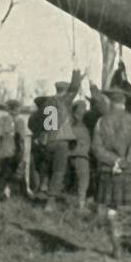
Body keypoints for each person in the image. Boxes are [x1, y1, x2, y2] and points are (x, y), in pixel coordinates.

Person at [92, 87, 131, 257]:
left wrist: (115, 161)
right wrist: (125, 160)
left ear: (110, 102)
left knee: (112, 208)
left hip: (110, 171)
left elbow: (97, 148)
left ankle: (117, 249)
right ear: (124, 103)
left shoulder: (100, 122)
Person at [43, 70, 84, 208]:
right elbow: (74, 88)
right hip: (61, 140)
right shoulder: (63, 101)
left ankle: (46, 191)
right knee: (59, 170)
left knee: (50, 169)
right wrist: (76, 73)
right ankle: (50, 202)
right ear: (64, 91)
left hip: (49, 141)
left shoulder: (47, 102)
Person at [0, 98, 23, 200]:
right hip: (13, 152)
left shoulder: (3, 119)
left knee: (2, 174)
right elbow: (22, 139)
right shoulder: (20, 121)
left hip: (3, 151)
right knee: (6, 174)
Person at [68, 100, 93, 211]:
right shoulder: (72, 122)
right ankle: (81, 205)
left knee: (83, 180)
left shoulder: (82, 122)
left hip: (81, 154)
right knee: (83, 179)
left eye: (85, 107)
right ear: (76, 109)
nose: (84, 109)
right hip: (77, 154)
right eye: (82, 107)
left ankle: (80, 203)